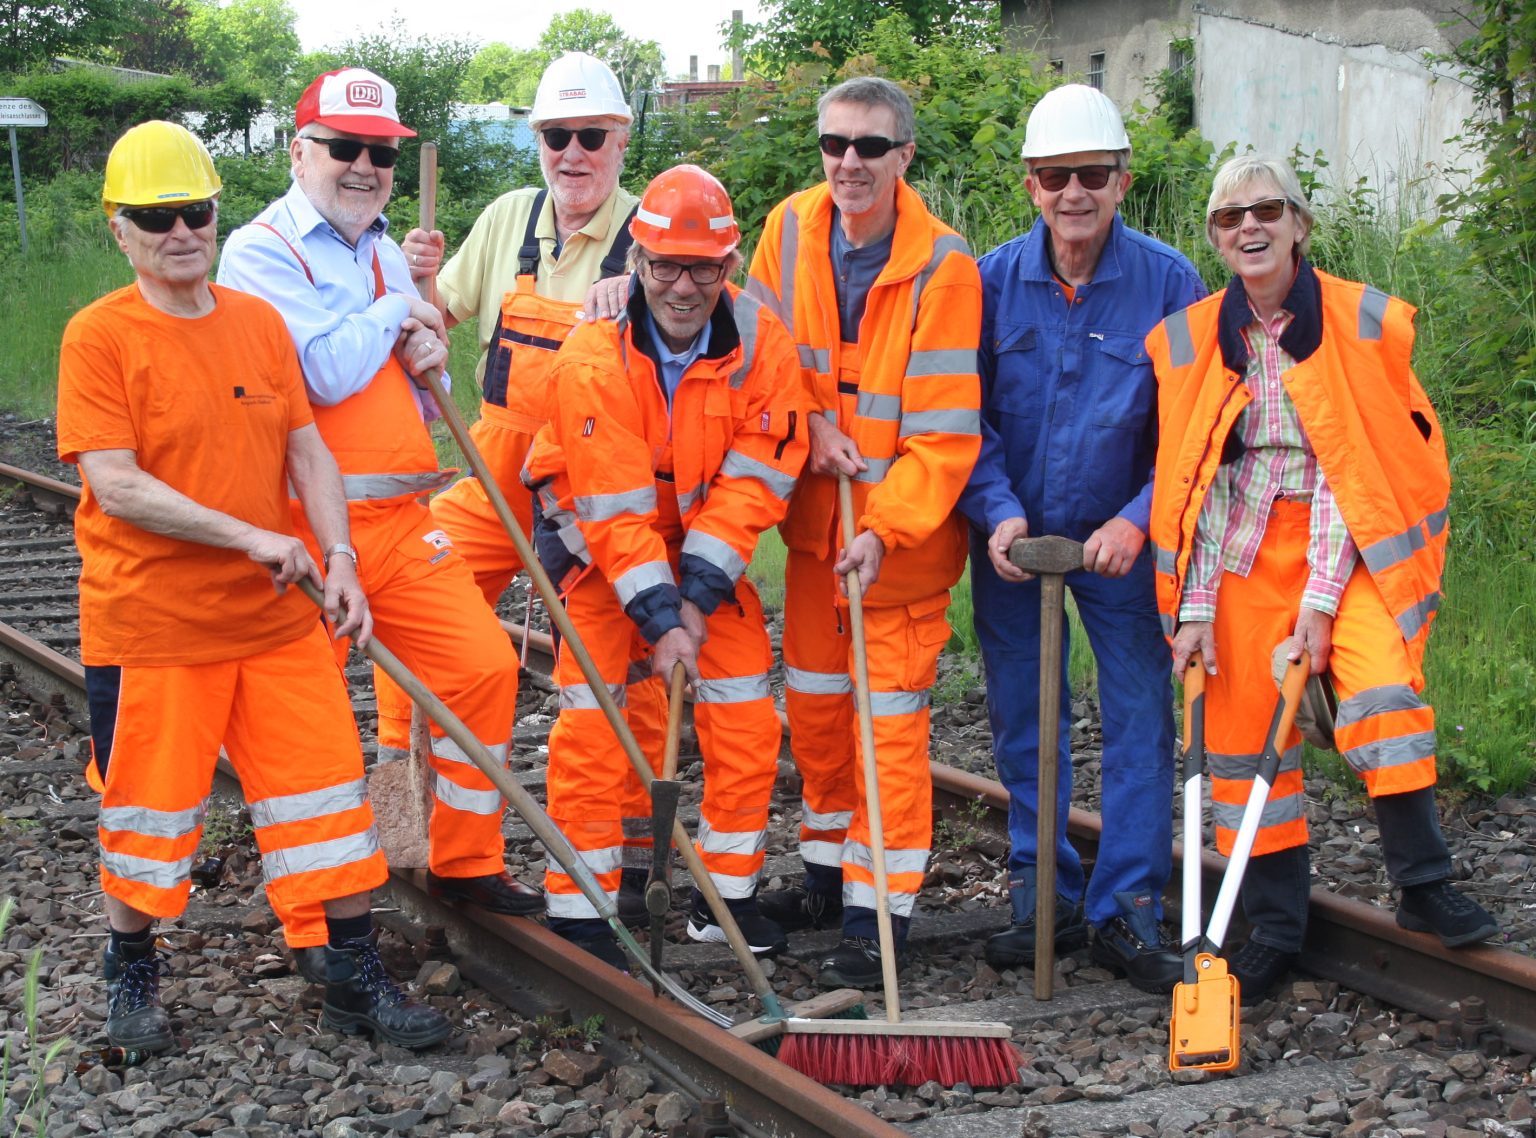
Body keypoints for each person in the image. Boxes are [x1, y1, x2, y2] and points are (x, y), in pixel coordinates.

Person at [61, 121, 449, 1052]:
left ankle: (352, 974)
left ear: (214, 213)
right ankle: (133, 978)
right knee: (145, 814)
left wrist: (340, 557)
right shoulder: (101, 336)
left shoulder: (257, 323)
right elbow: (114, 481)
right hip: (154, 627)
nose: (180, 231)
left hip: (274, 623)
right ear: (121, 227)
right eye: (156, 217)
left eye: (194, 211)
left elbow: (307, 446)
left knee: (326, 800)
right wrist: (251, 536)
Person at [1148, 154, 1500, 1002]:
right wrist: (1194, 607)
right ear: (1216, 240)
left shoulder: (1358, 321)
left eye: (1267, 210)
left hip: (1353, 538)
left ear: (1301, 224)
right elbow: (1197, 484)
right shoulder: (1197, 338)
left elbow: (1359, 471)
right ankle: (1274, 928)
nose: (1250, 228)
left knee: (1381, 695)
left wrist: (1318, 602)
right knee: (1235, 737)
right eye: (1230, 218)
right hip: (1240, 547)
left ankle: (1423, 886)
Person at [218, 69, 536, 980]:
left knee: (481, 668)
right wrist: (402, 310)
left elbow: (410, 398)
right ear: (299, 150)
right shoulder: (260, 250)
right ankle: (317, 923)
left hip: (403, 519)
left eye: (381, 152)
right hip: (307, 530)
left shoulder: (388, 254)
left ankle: (466, 861)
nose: (364, 167)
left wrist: (429, 352)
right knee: (310, 736)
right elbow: (321, 372)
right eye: (345, 147)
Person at [397, 53, 667, 923]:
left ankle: (627, 852)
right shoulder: (511, 216)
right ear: (539, 141)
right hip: (491, 469)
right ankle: (446, 844)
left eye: (592, 135)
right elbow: (437, 323)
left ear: (622, 140)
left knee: (617, 670)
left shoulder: (650, 235)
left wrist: (646, 310)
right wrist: (415, 282)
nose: (574, 152)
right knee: (418, 611)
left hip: (592, 486)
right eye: (558, 135)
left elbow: (702, 353)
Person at [522, 165, 808, 966]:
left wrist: (697, 601)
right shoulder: (592, 355)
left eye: (702, 268)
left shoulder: (762, 348)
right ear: (636, 261)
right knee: (595, 725)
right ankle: (581, 912)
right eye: (665, 266)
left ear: (730, 264)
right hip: (595, 548)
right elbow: (612, 509)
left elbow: (757, 484)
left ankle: (722, 903)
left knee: (749, 722)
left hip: (702, 559)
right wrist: (658, 614)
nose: (683, 287)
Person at [956, 84, 1206, 994]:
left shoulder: (1171, 283)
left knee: (1140, 718)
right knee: (1028, 720)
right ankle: (1043, 899)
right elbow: (960, 415)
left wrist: (1138, 520)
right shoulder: (985, 283)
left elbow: (1192, 428)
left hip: (1121, 552)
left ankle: (1126, 911)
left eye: (1092, 176)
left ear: (1122, 181)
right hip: (1018, 548)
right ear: (1030, 184)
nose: (1074, 193)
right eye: (1056, 175)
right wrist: (996, 507)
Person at [746, 77, 982, 989]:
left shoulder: (942, 267)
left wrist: (884, 530)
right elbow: (761, 357)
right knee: (814, 714)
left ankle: (877, 914)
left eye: (870, 148)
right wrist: (808, 427)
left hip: (896, 554)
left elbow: (944, 431)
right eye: (835, 144)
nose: (849, 163)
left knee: (886, 733)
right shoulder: (791, 229)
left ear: (903, 157)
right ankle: (821, 877)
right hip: (811, 538)